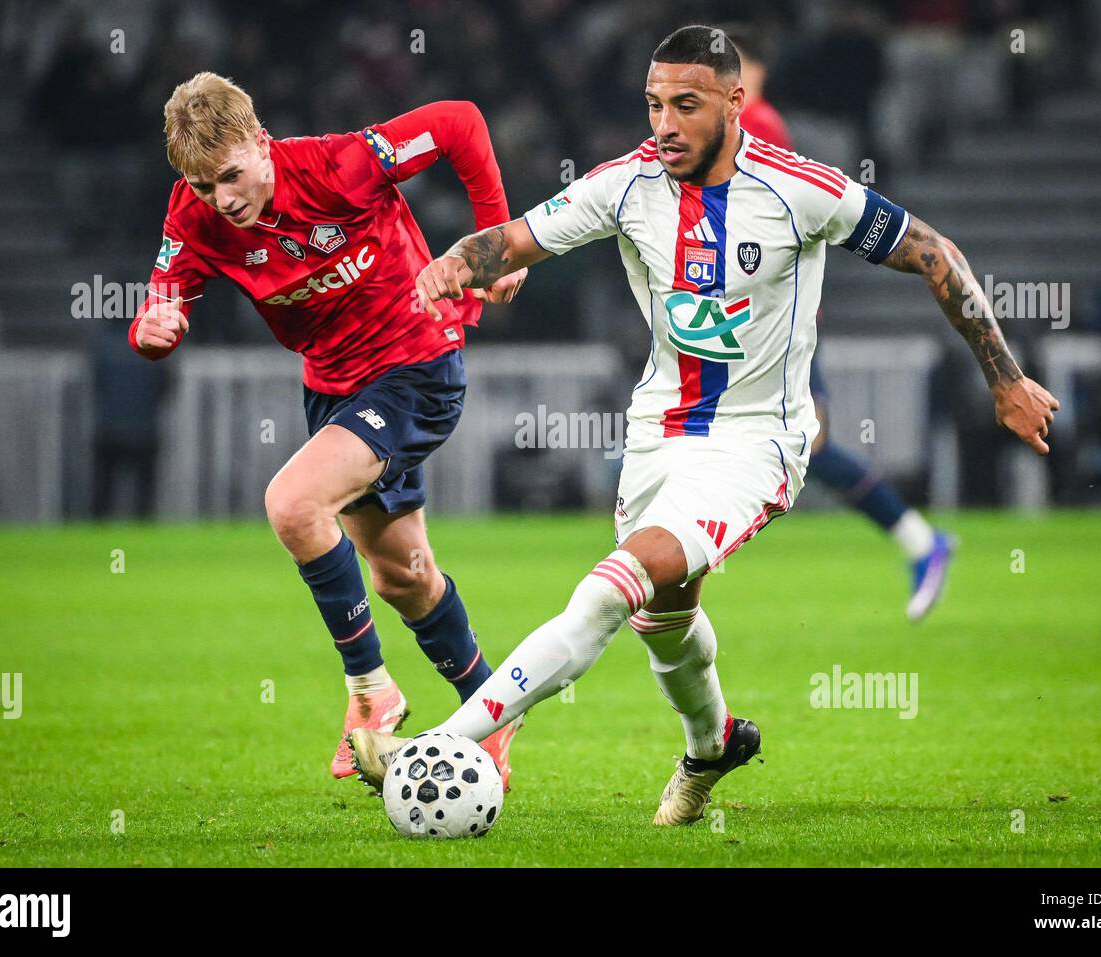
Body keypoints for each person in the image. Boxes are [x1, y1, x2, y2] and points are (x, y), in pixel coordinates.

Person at [352, 25, 1059, 824]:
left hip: (757, 441)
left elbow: (934, 252)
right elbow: (512, 240)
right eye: (654, 105)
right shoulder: (627, 183)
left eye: (685, 105)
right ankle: (711, 744)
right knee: (665, 618)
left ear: (734, 101)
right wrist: (456, 263)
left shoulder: (801, 188)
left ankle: (447, 741)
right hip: (659, 432)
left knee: (608, 591)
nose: (664, 124)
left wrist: (1005, 378)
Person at [128, 73, 529, 787]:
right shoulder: (196, 213)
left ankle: (372, 690)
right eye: (202, 184)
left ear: (261, 142)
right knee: (403, 575)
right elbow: (163, 297)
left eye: (229, 175)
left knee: (292, 503)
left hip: (417, 366)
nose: (222, 198)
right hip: (335, 392)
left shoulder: (341, 164)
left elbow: (461, 120)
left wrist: (495, 244)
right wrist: (154, 326)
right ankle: (491, 705)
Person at [731, 29, 955, 620]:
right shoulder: (746, 122)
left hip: (770, 323)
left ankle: (919, 539)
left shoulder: (755, 120)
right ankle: (918, 539)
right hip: (750, 320)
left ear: (752, 71)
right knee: (801, 444)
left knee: (806, 443)